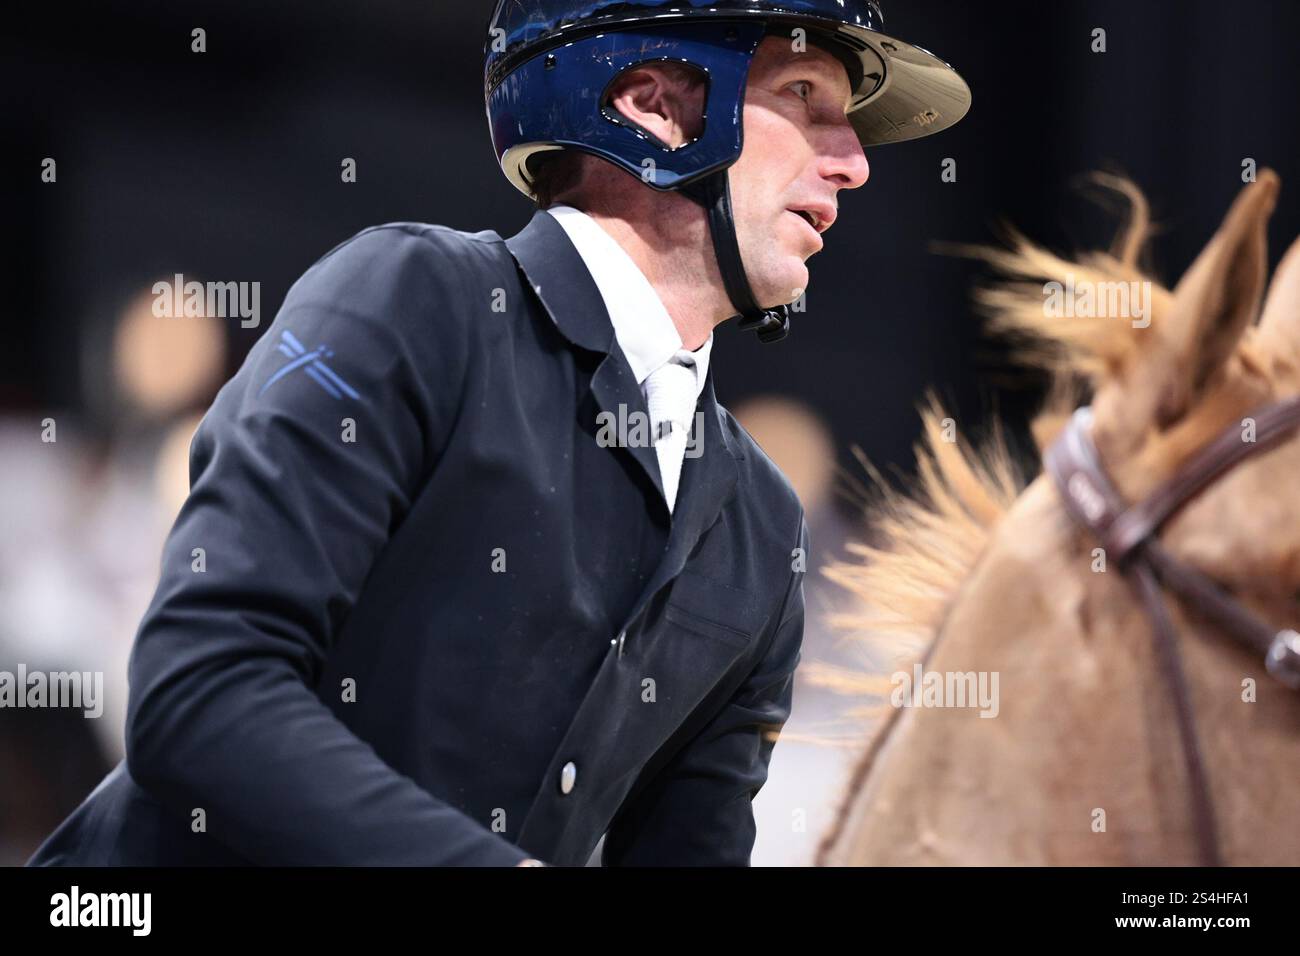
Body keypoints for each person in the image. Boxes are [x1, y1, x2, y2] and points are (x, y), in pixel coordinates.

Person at [27, 0, 968, 867]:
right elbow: (198, 697)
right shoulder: (411, 301)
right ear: (653, 110)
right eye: (805, 97)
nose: (854, 162)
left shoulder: (763, 526)